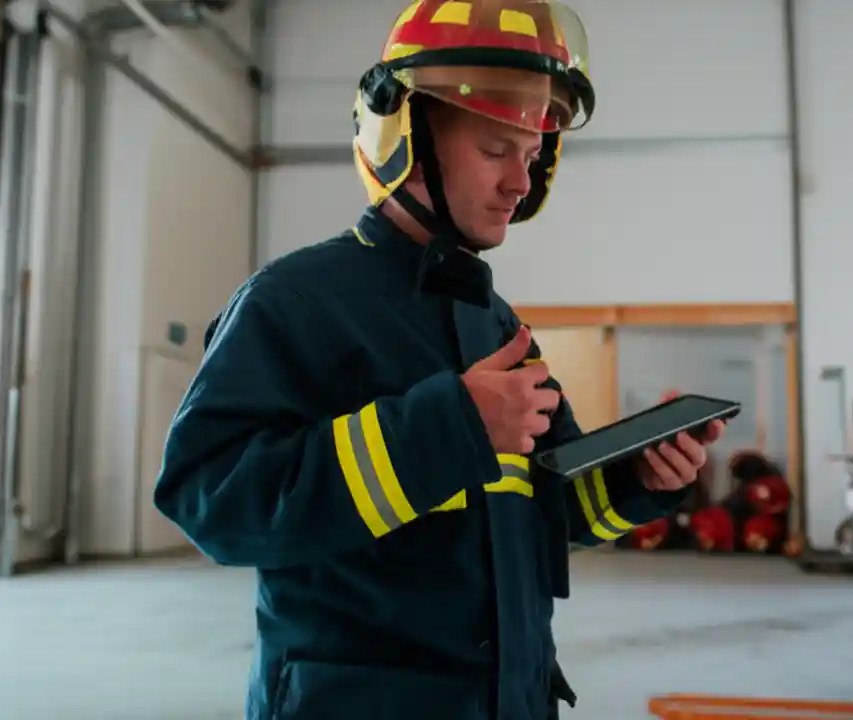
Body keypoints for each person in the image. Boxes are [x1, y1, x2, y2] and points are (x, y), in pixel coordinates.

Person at [152, 1, 725, 718]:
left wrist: (639, 479)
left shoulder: (496, 323)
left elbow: (551, 510)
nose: (520, 183)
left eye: (532, 154)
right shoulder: (293, 303)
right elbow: (211, 501)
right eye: (495, 150)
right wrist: (450, 427)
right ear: (406, 135)